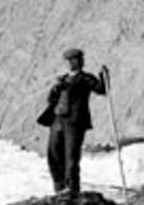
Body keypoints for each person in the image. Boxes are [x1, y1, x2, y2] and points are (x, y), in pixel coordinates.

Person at [37, 47, 108, 197]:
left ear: (80, 61)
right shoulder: (62, 79)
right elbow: (51, 99)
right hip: (57, 120)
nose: (72, 63)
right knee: (54, 153)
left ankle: (72, 188)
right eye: (69, 61)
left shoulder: (86, 78)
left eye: (75, 60)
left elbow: (101, 90)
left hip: (74, 122)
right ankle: (59, 186)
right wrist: (55, 90)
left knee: (71, 155)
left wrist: (104, 76)